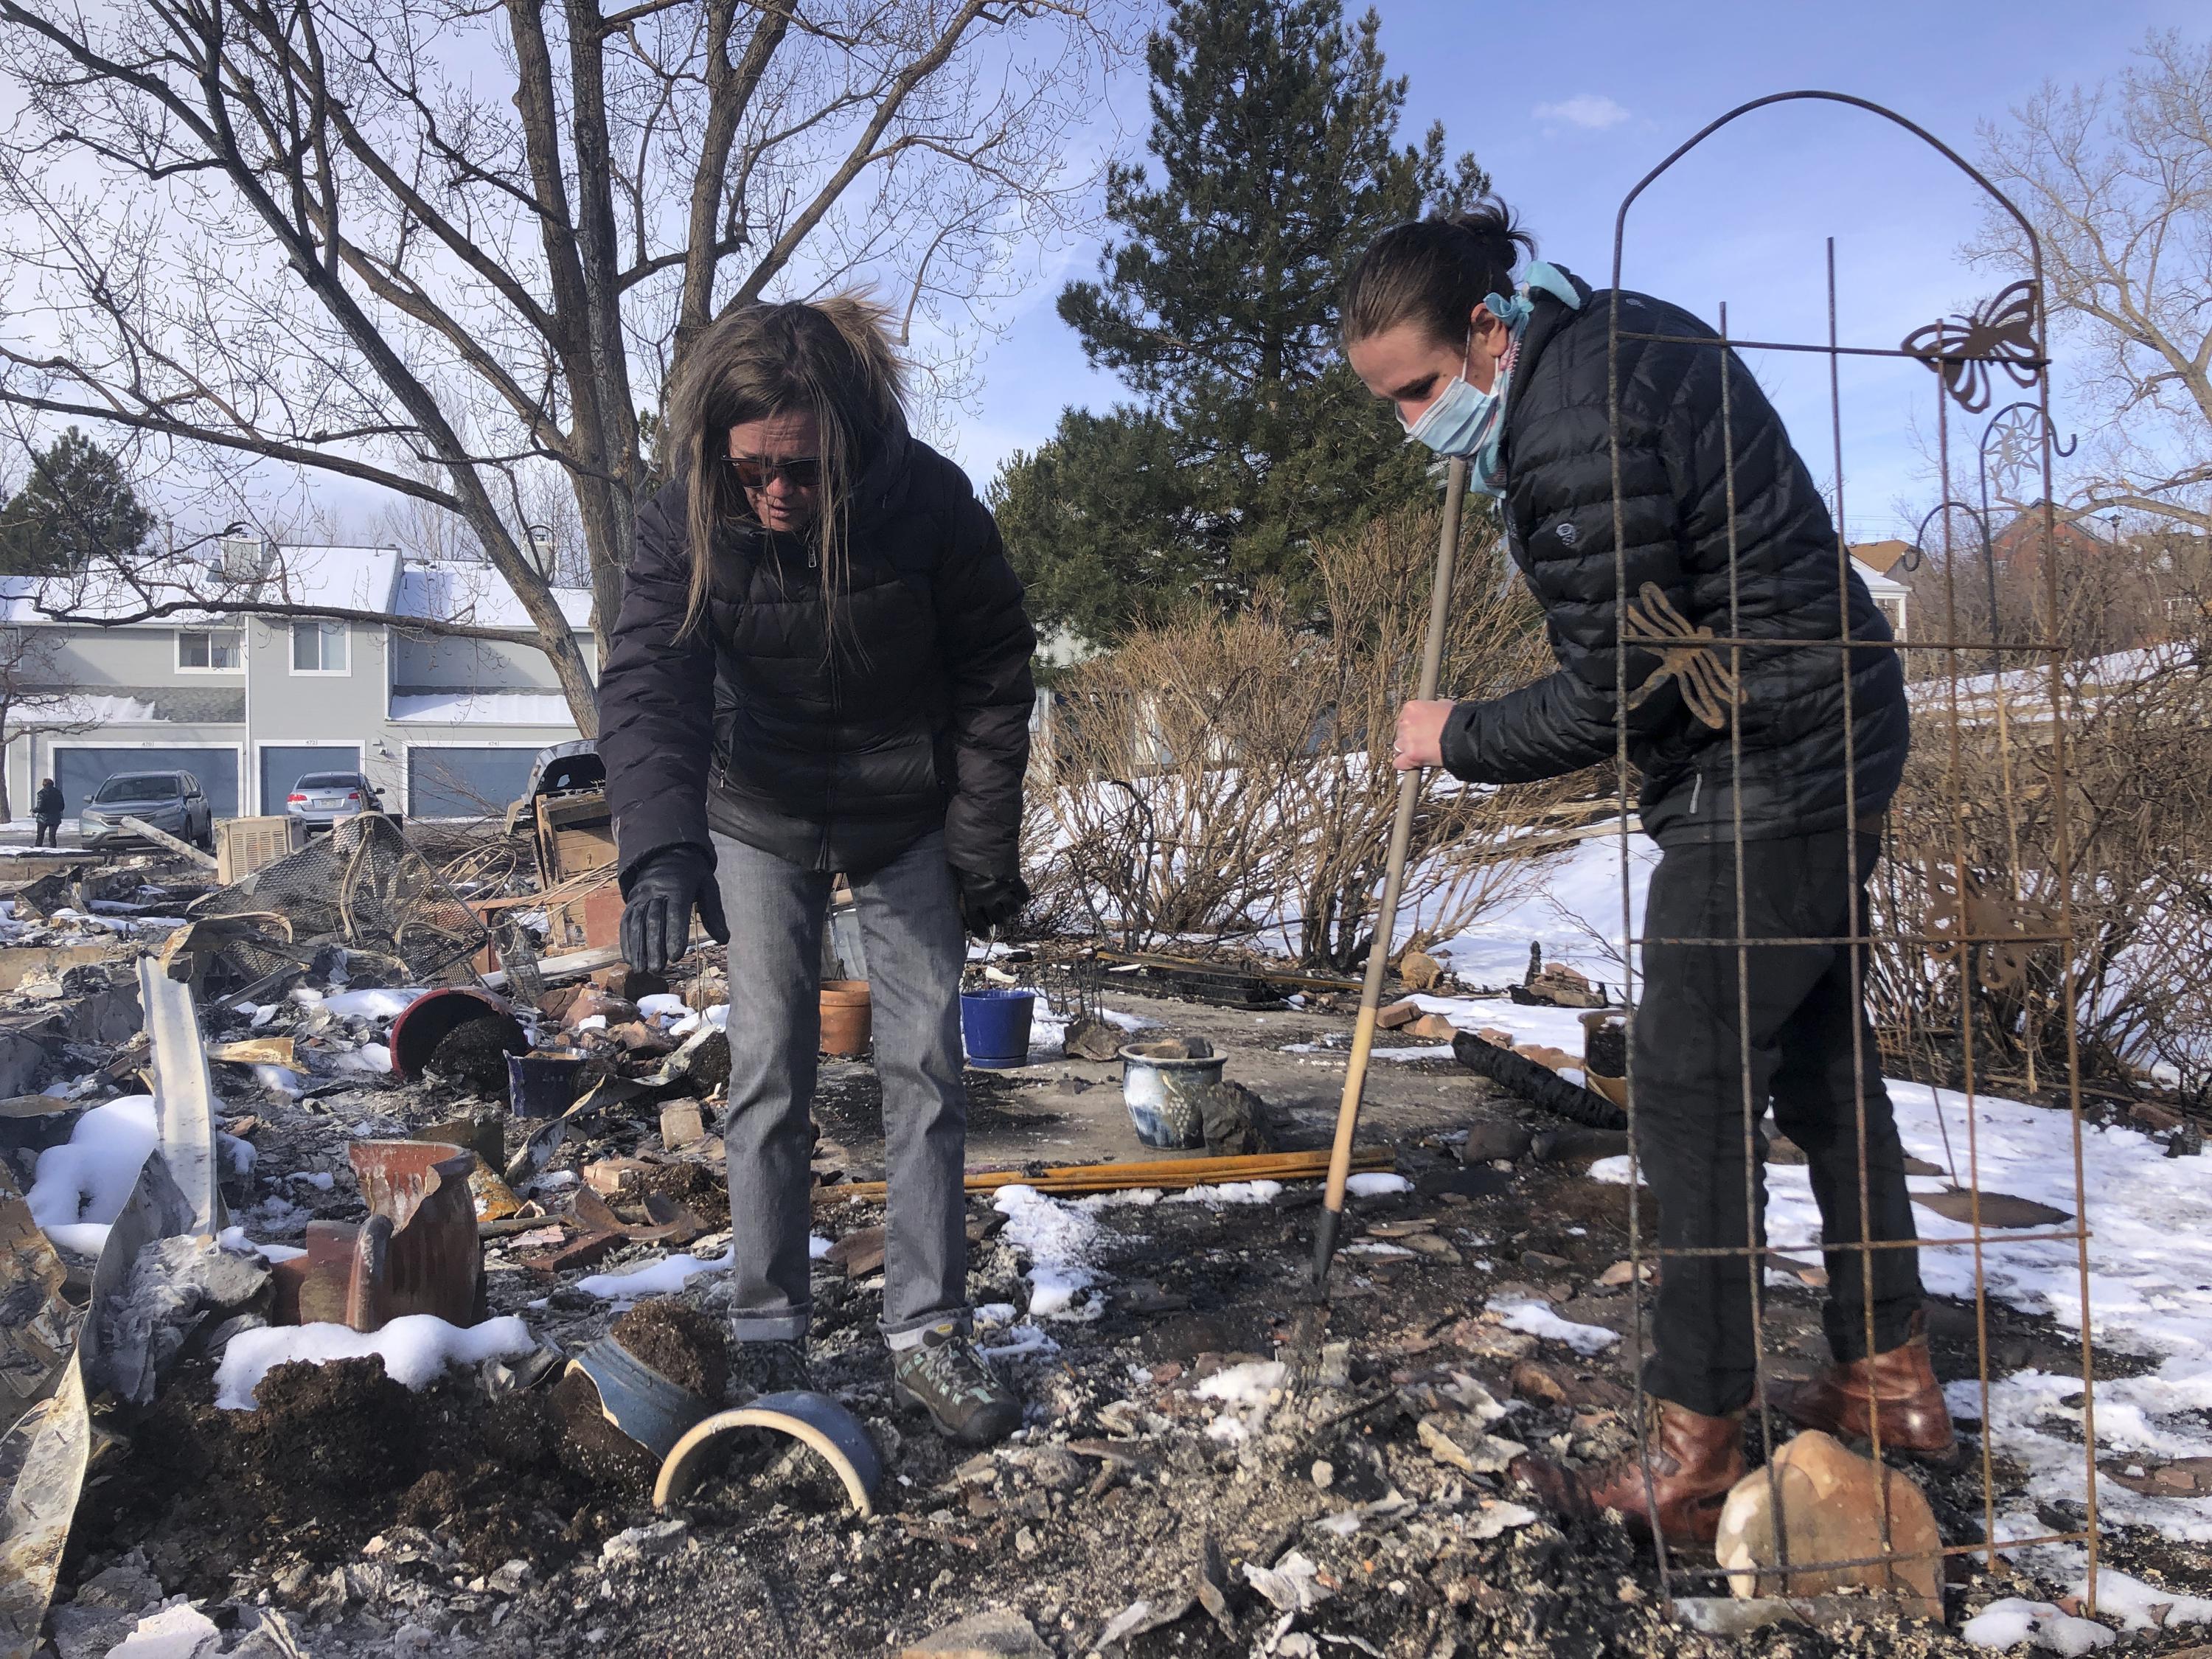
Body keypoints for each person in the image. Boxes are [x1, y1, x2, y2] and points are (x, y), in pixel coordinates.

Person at [1341, 203, 1946, 1548]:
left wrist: (1458, 736)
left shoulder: (1566, 427)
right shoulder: (1620, 336)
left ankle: (1693, 1457)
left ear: (1488, 331)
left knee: (1686, 1087)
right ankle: (1887, 1381)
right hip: (1831, 718)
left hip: (1767, 756)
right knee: (1823, 1061)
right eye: (1391, 405)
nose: (1413, 427)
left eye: (1424, 390)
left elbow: (1623, 691)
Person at [598, 296, 1036, 1446]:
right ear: (716, 451)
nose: (779, 493)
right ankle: (767, 1327)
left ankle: (929, 1327)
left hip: (905, 811)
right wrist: (661, 850)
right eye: (754, 470)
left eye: (805, 467)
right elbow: (651, 682)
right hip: (760, 806)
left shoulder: (928, 502)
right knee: (770, 1066)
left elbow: (995, 668)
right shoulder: (686, 518)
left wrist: (983, 844)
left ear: (847, 435)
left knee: (929, 1063)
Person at [32, 777, 62, 847]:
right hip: (55, 818)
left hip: (43, 818)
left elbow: (40, 807)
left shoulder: (41, 793)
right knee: (52, 836)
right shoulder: (58, 793)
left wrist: (34, 810)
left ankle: (38, 849)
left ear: (44, 785)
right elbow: (62, 806)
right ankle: (53, 849)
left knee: (40, 836)